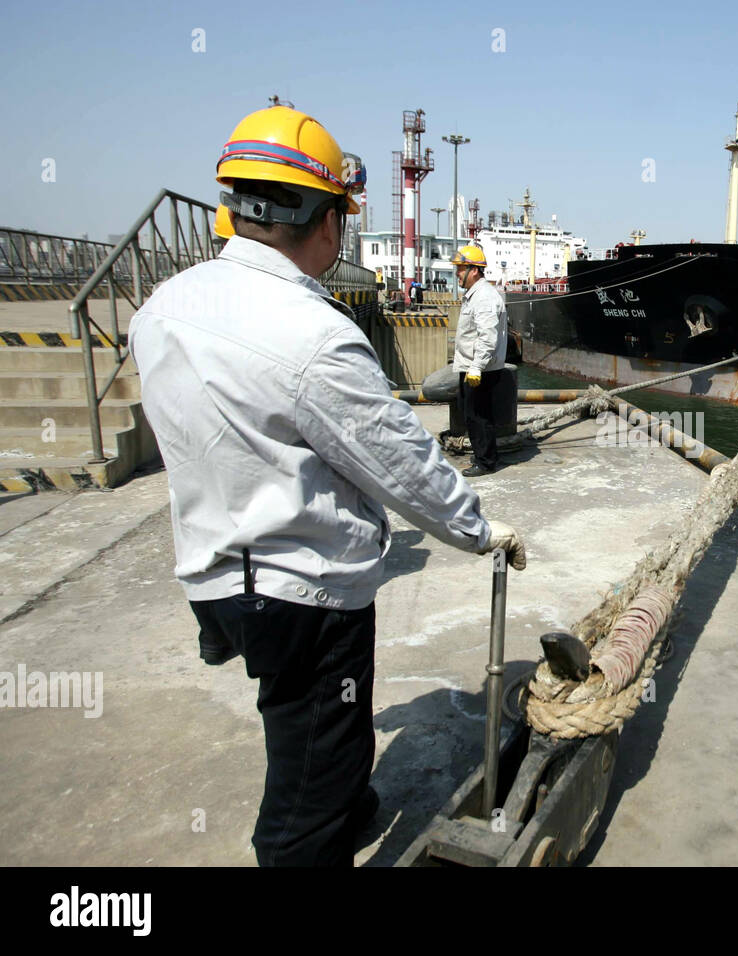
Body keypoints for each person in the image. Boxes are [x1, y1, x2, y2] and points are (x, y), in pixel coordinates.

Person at [129, 105, 526, 867]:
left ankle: (348, 801)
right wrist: (479, 530)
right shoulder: (312, 334)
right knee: (305, 791)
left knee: (311, 732)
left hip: (215, 574)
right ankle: (318, 827)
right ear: (323, 220)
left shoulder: (165, 307)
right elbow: (401, 460)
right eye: (341, 215)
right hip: (301, 593)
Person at [450, 244, 508, 476]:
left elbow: (487, 337)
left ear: (474, 270)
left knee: (478, 415)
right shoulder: (476, 295)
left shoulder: (483, 298)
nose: (457, 274)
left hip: (480, 369)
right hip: (476, 366)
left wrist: (475, 368)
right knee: (476, 414)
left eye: (460, 269)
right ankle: (485, 455)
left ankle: (485, 462)